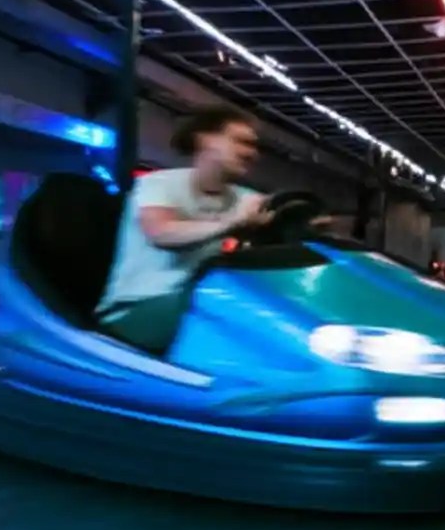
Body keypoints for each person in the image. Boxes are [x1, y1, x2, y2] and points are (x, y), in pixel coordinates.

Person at [94, 105, 321, 353]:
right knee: (241, 333)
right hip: (137, 306)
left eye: (254, 146)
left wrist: (307, 232)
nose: (251, 153)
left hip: (205, 297)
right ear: (205, 140)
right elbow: (161, 232)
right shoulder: (158, 183)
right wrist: (230, 224)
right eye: (241, 142)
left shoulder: (244, 198)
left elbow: (274, 226)